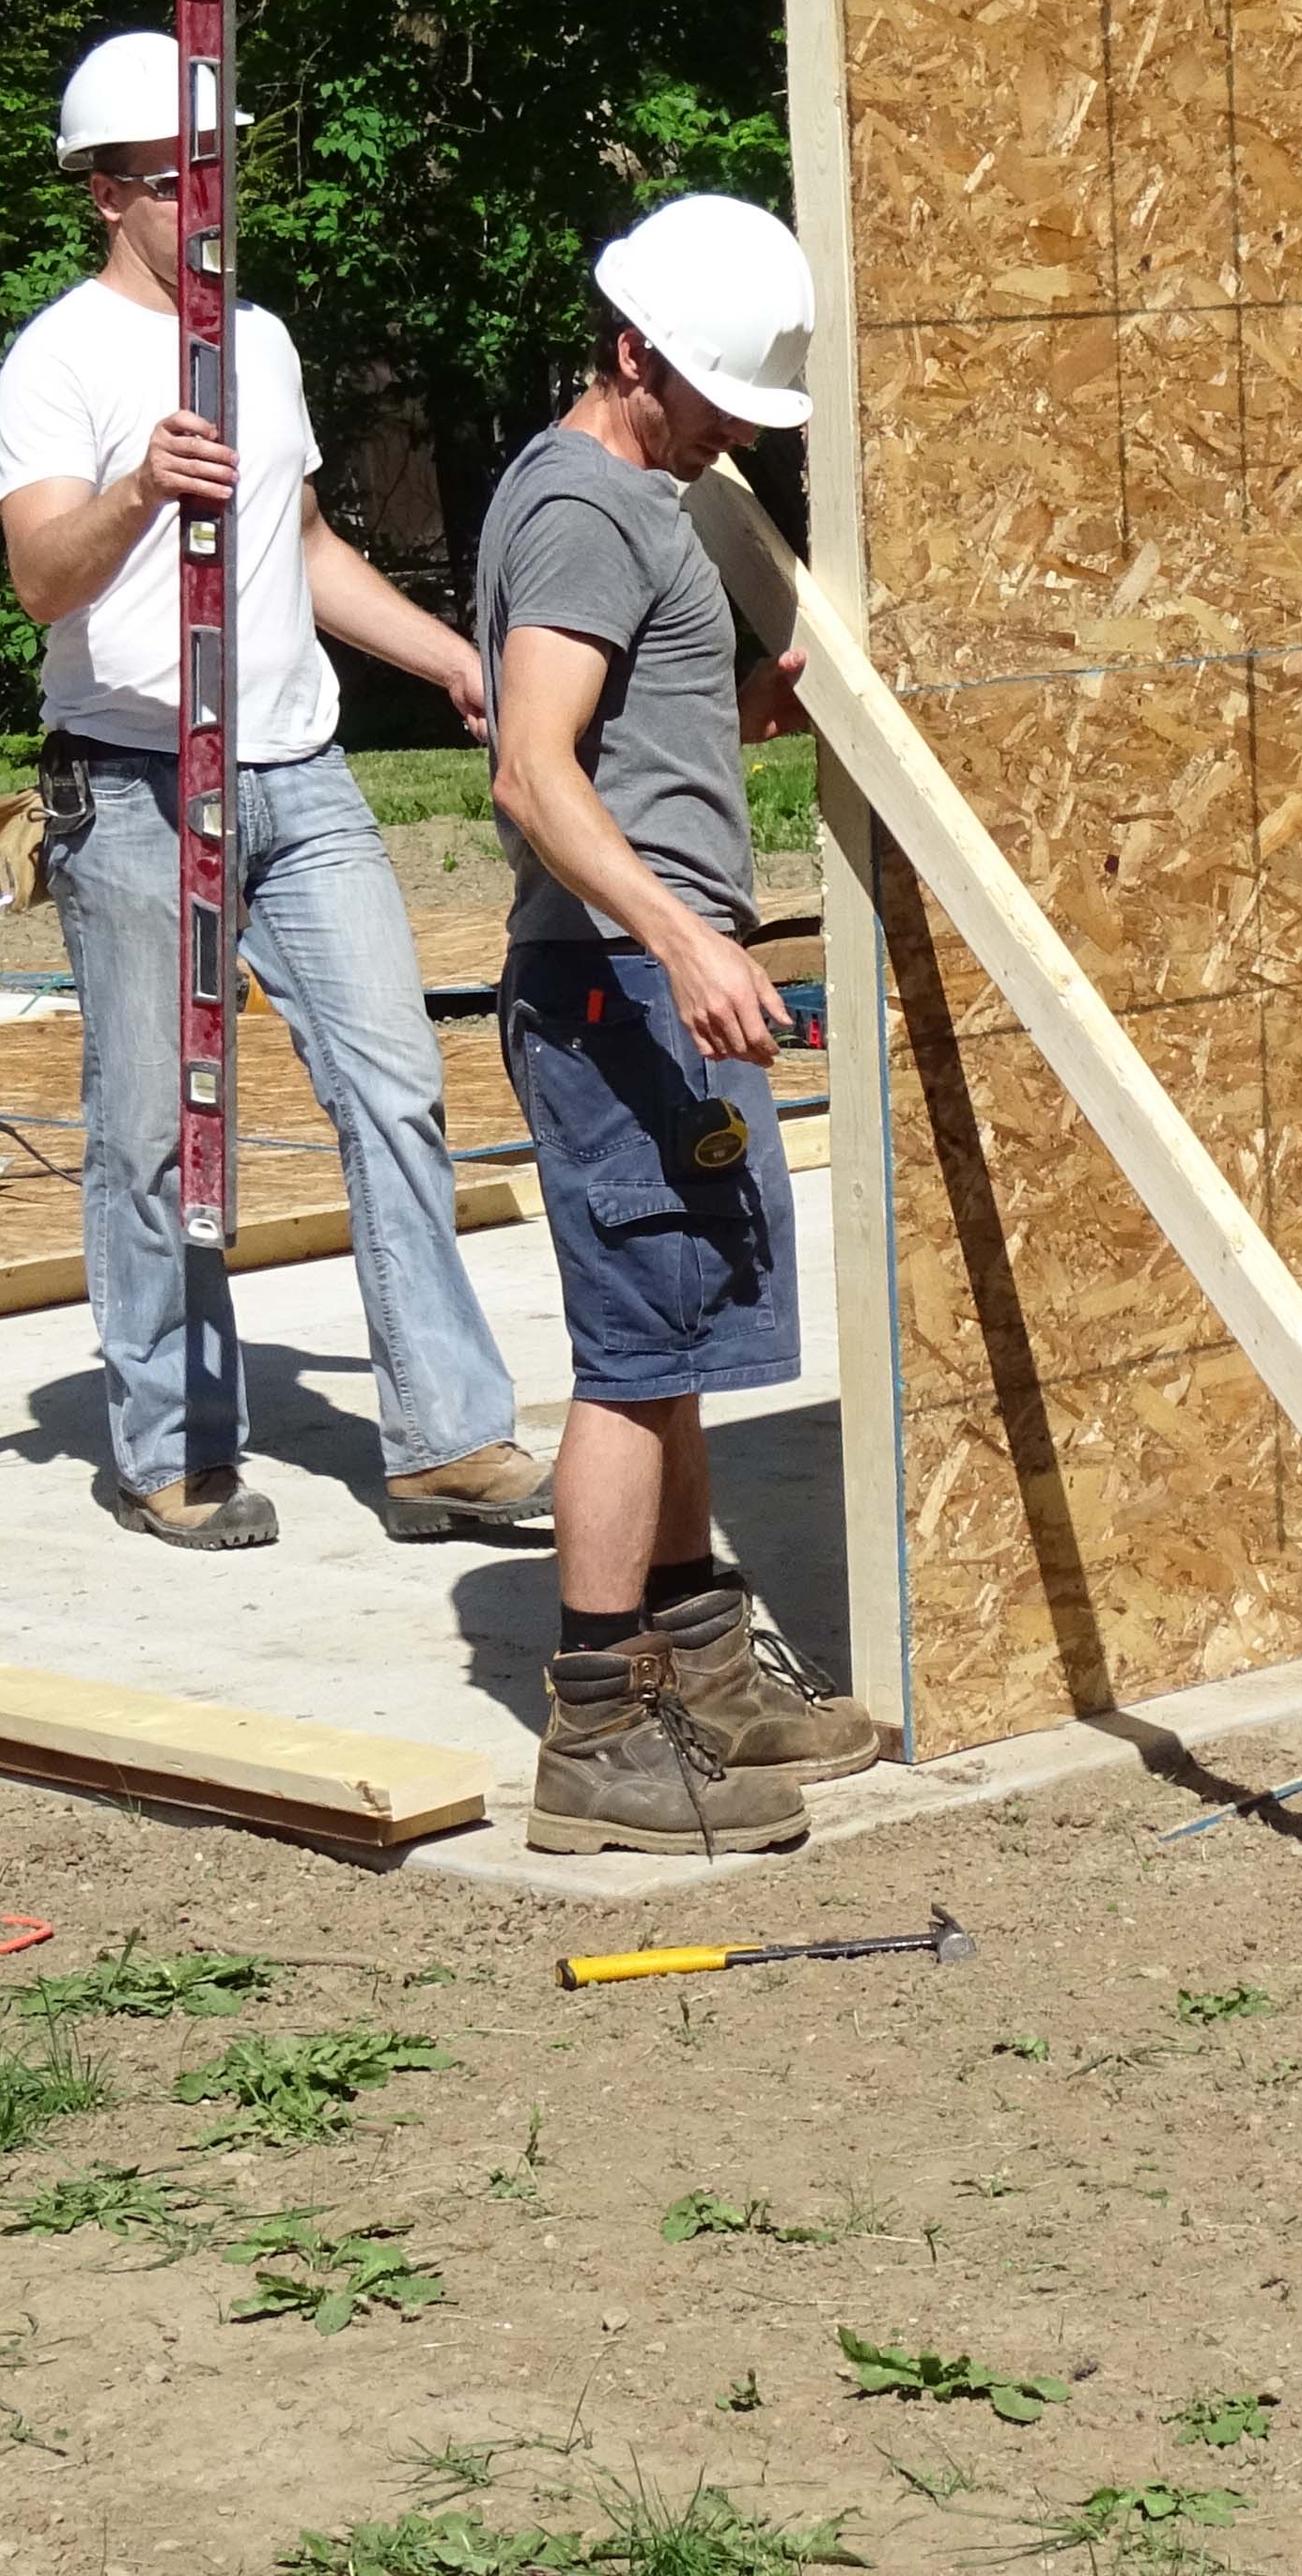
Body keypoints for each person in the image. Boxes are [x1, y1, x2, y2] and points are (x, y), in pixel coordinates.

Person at [0, 31, 548, 1555]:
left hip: (298, 773)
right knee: (156, 1129)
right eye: (184, 178)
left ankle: (444, 1438)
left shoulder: (266, 342)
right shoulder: (55, 364)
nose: (213, 202)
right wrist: (134, 491)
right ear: (109, 190)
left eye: (225, 169)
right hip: (133, 788)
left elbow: (300, 550)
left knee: (396, 1086)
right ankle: (171, 1449)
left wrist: (455, 661)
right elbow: (41, 578)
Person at [481, 190, 882, 1854]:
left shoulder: (645, 491)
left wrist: (736, 714)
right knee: (634, 1355)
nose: (733, 427)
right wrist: (676, 936)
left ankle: (703, 1668)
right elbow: (532, 763)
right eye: (715, 392)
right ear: (633, 351)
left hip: (651, 966)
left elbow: (630, 730)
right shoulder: (582, 504)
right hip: (611, 982)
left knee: (689, 1338)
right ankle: (596, 1729)